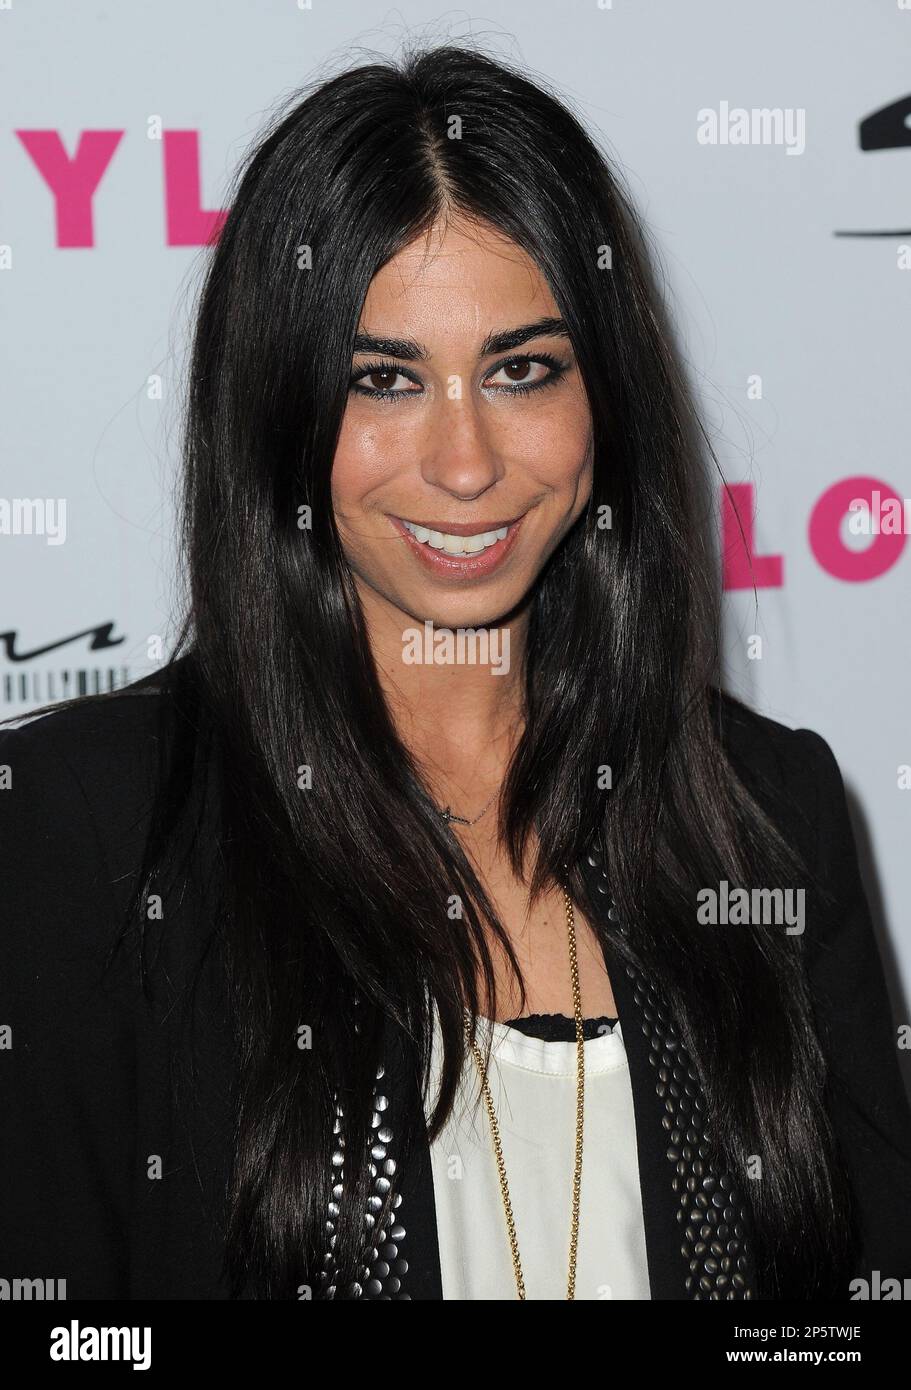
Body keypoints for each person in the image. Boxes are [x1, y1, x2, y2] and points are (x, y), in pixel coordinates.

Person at [2, 41, 910, 1302]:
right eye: (384, 380)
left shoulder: (767, 817)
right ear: (278, 409)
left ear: (606, 397)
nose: (467, 462)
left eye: (521, 369)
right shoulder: (85, 822)